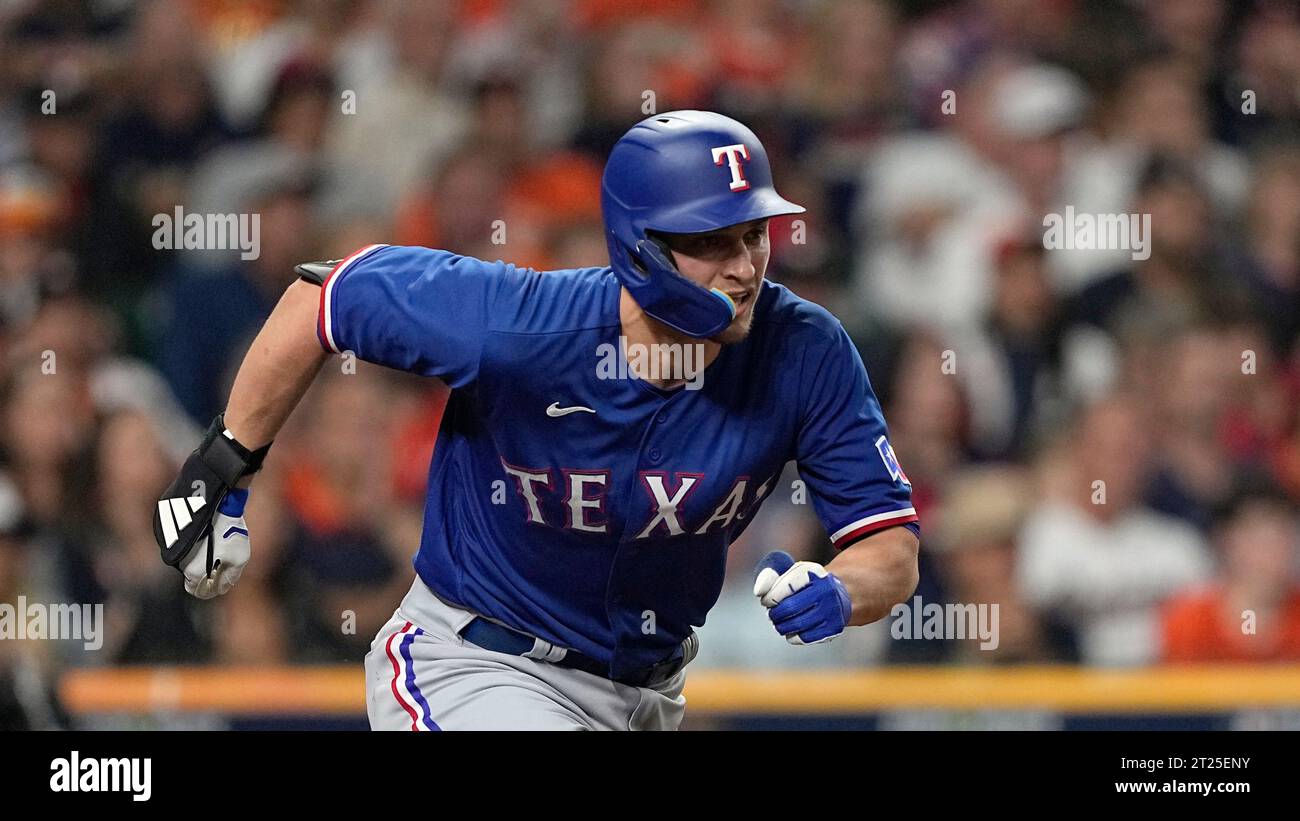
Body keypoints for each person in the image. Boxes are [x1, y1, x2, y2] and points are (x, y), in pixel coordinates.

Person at [151, 110, 920, 730]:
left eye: (755, 234)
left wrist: (843, 589)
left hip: (648, 692)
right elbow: (326, 298)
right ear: (641, 246)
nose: (746, 265)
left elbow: (888, 544)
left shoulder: (804, 348)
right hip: (477, 663)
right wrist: (226, 462)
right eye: (712, 241)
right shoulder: (521, 322)